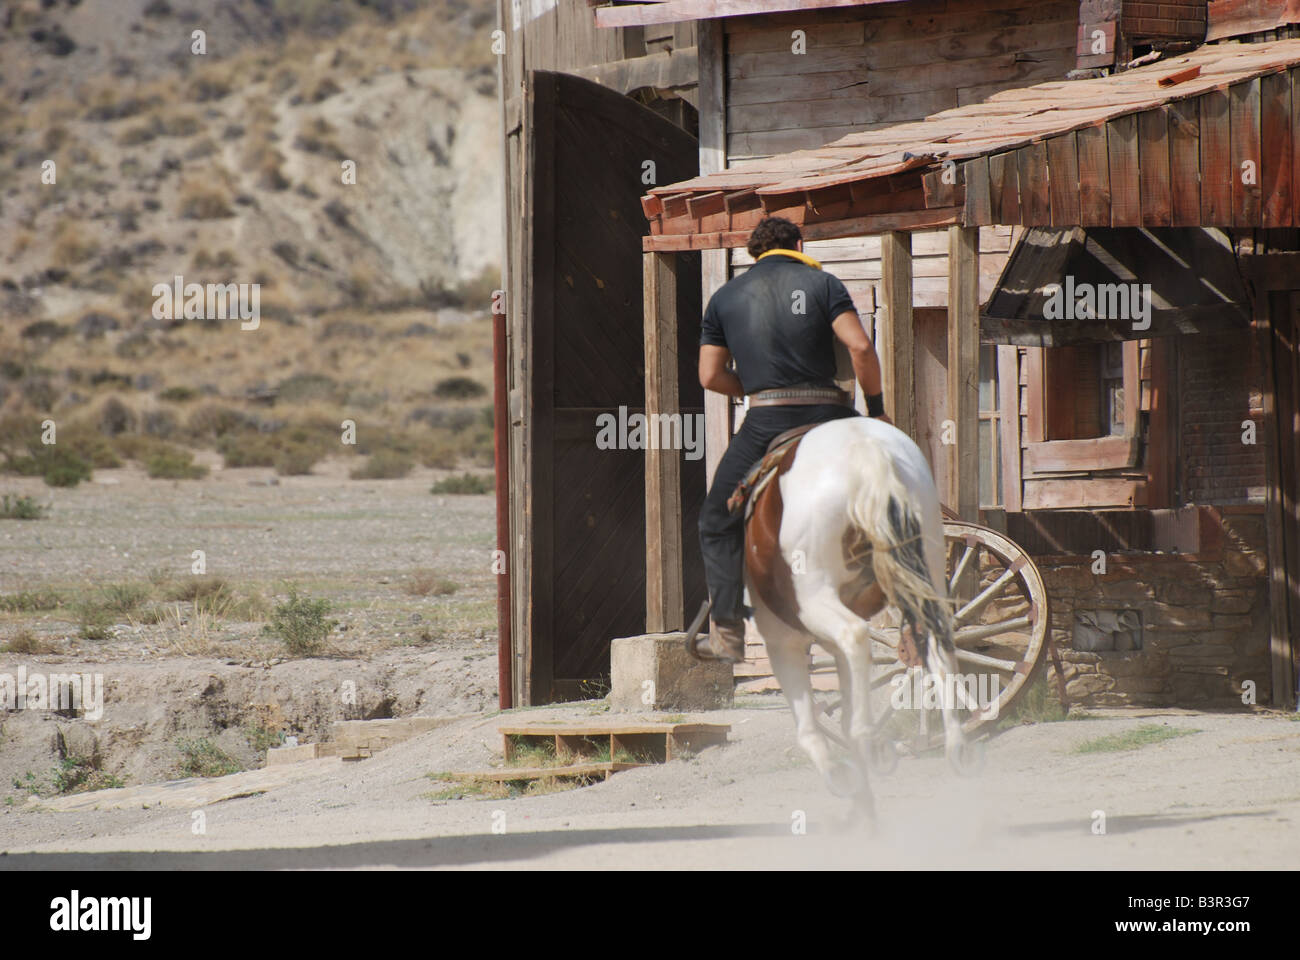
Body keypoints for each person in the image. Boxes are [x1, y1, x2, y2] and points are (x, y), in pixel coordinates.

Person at [690, 215, 891, 662]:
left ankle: (726, 631)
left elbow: (709, 375)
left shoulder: (725, 297)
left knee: (715, 518)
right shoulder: (824, 285)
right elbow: (859, 348)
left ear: (754, 253)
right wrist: (876, 410)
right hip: (831, 414)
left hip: (767, 423)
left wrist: (755, 388)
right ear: (799, 243)